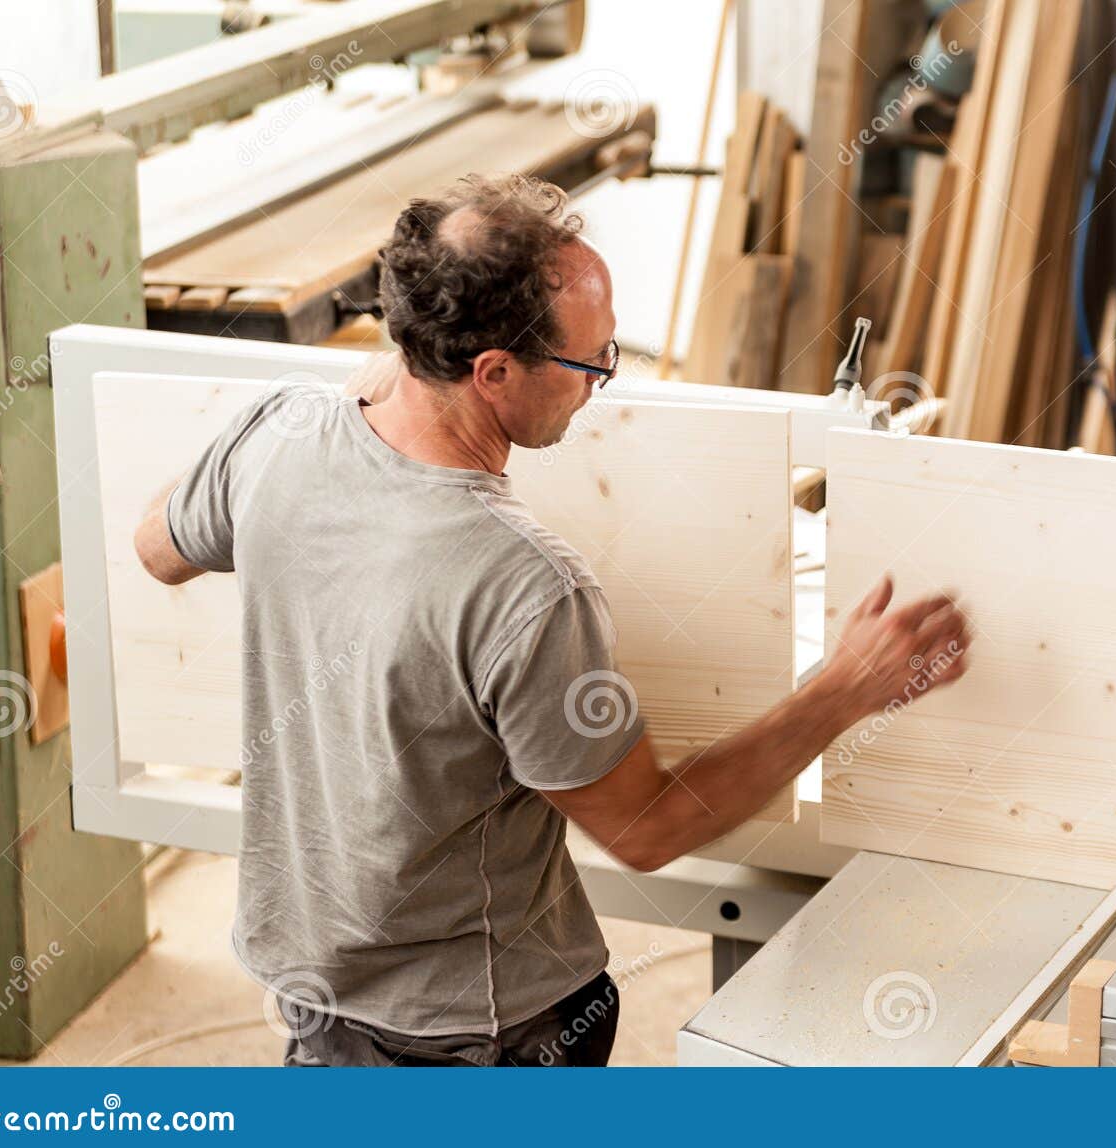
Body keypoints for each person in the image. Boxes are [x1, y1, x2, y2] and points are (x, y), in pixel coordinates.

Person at [133, 174, 970, 1066]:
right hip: (479, 1032)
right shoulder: (525, 587)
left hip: (311, 995)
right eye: (588, 365)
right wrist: (843, 690)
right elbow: (648, 830)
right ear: (490, 371)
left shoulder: (279, 433)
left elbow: (158, 546)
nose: (600, 384)